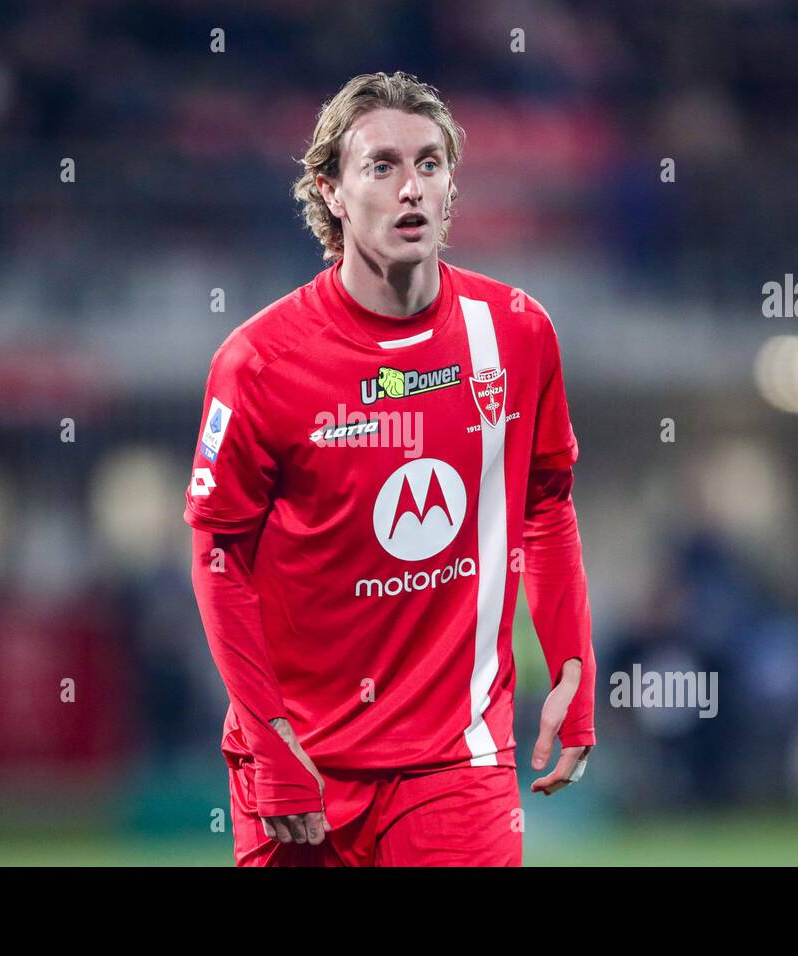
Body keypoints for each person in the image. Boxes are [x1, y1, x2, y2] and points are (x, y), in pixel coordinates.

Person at [183, 71, 596, 866]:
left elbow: (545, 504)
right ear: (331, 192)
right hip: (301, 759)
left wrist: (572, 667)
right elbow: (218, 556)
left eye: (430, 164)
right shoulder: (258, 364)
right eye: (381, 166)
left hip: (457, 758)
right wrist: (269, 740)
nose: (412, 188)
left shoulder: (516, 333)